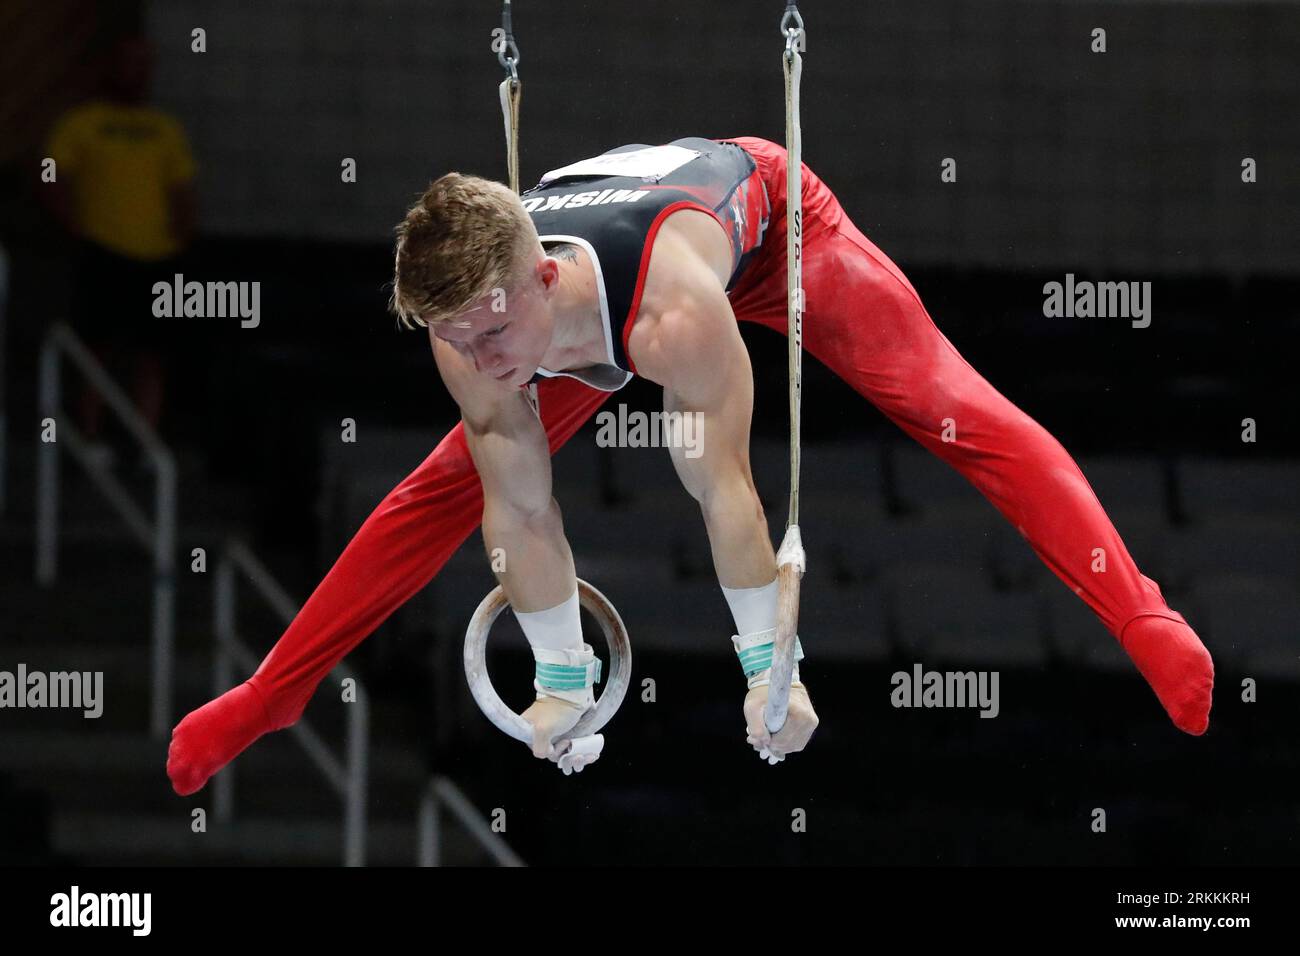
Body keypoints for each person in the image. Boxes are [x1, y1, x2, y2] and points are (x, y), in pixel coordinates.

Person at [167, 136, 1214, 796]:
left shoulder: (671, 313)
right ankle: (273, 688)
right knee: (444, 483)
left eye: (485, 331)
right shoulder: (478, 329)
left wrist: (771, 670)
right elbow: (522, 516)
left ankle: (1139, 612)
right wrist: (560, 682)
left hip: (772, 233)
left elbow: (722, 487)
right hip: (579, 323)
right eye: (450, 337)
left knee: (949, 406)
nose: (475, 359)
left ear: (535, 276)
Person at [42, 31, 197, 463]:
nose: (137, 71)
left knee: (153, 354)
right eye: (129, 62)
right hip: (103, 252)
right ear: (111, 66)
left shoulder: (165, 129)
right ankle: (90, 438)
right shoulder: (81, 123)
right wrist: (72, 225)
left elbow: (183, 188)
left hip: (157, 257)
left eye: (144, 63)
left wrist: (182, 233)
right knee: (96, 348)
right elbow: (50, 175)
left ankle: (145, 442)